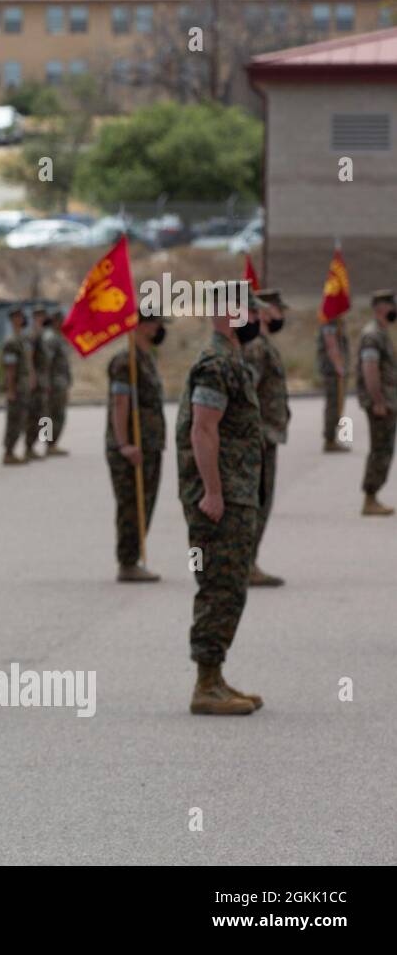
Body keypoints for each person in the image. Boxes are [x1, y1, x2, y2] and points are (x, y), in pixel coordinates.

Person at [175, 296, 263, 716]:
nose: (258, 320)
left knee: (230, 586)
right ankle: (205, 683)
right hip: (221, 497)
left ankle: (215, 675)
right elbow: (203, 428)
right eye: (253, 312)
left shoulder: (230, 359)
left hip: (235, 492)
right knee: (219, 586)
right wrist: (212, 491)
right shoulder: (216, 363)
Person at [106, 316, 167, 582]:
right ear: (141, 325)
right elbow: (120, 403)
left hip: (149, 443)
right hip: (131, 447)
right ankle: (127, 562)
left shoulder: (145, 358)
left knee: (146, 502)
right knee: (132, 503)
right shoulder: (126, 361)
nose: (159, 329)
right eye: (155, 324)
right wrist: (124, 444)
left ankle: (133, 558)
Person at [243, 290, 291, 585]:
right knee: (258, 502)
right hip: (259, 435)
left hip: (267, 433)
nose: (280, 315)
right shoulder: (256, 348)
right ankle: (246, 564)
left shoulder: (262, 345)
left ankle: (249, 561)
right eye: (277, 309)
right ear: (264, 311)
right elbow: (247, 392)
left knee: (262, 501)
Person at [357, 290, 397, 516]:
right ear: (382, 308)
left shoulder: (381, 332)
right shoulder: (372, 335)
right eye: (393, 306)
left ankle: (372, 496)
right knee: (380, 450)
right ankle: (370, 497)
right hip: (381, 404)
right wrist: (378, 401)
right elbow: (370, 369)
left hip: (387, 401)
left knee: (384, 450)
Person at [1, 307, 31, 465]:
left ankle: (13, 451)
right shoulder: (11, 341)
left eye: (21, 316)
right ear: (12, 320)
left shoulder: (22, 339)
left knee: (21, 419)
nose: (19, 319)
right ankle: (8, 452)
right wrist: (10, 389)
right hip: (17, 387)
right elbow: (10, 368)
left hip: (24, 386)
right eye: (16, 317)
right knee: (14, 420)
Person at [318, 308, 350, 453]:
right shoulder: (330, 321)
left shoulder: (336, 321)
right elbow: (331, 345)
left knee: (337, 404)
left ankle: (332, 438)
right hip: (332, 372)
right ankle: (330, 439)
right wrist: (339, 367)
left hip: (335, 371)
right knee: (333, 404)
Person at [43, 309, 72, 456]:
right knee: (50, 415)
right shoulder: (51, 339)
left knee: (58, 415)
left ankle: (51, 444)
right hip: (54, 383)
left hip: (61, 382)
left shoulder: (60, 338)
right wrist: (46, 383)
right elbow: (47, 362)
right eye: (61, 320)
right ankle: (47, 444)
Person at [24, 306, 50, 461]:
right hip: (36, 381)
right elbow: (29, 357)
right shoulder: (33, 335)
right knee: (34, 414)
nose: (42, 318)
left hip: (43, 380)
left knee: (42, 414)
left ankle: (37, 445)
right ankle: (29, 447)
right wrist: (32, 376)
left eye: (43, 315)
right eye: (39, 315)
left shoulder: (42, 334)